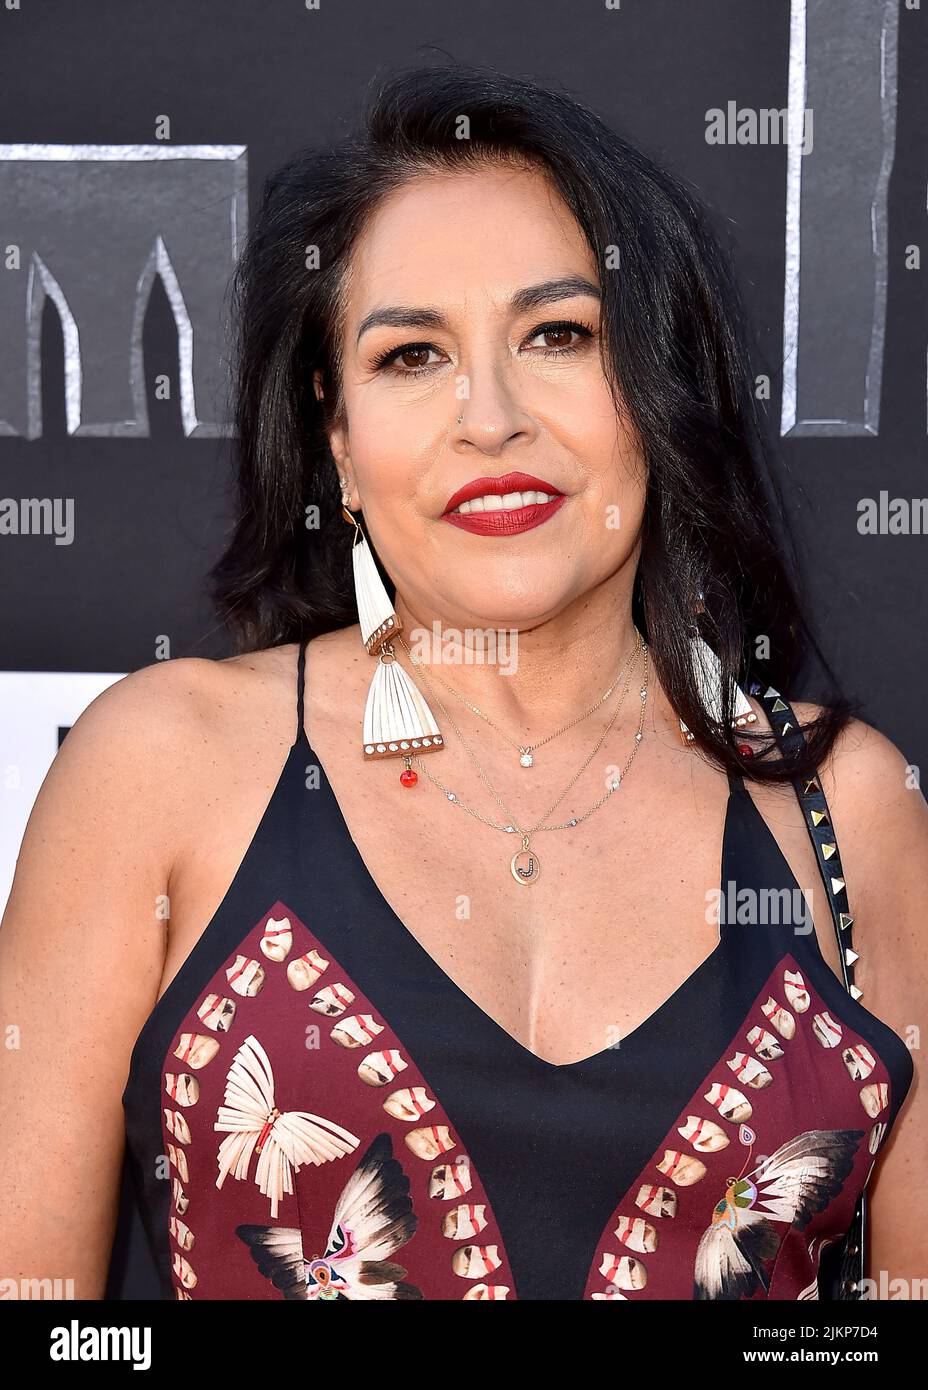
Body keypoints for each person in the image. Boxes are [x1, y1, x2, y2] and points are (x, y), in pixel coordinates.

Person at [1, 63, 924, 1302]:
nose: (488, 416)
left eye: (558, 335)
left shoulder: (843, 809)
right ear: (338, 438)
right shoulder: (157, 767)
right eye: (410, 356)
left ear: (656, 389)